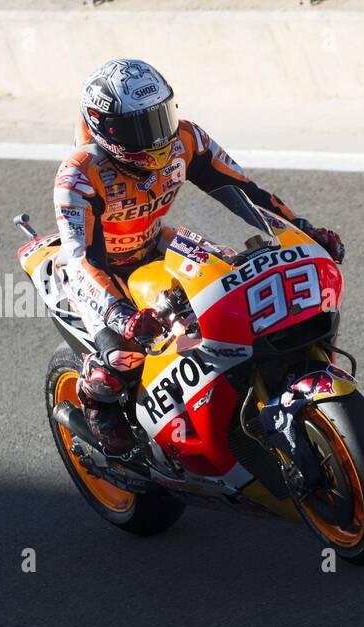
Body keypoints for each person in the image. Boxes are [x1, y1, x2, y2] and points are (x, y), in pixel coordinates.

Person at [53, 58, 344, 453]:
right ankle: (95, 403)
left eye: (160, 117)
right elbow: (82, 260)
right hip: (103, 274)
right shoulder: (78, 175)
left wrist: (303, 230)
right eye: (139, 127)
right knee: (124, 356)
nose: (156, 136)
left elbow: (248, 193)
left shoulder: (187, 140)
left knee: (234, 280)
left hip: (156, 242)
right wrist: (121, 315)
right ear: (104, 127)